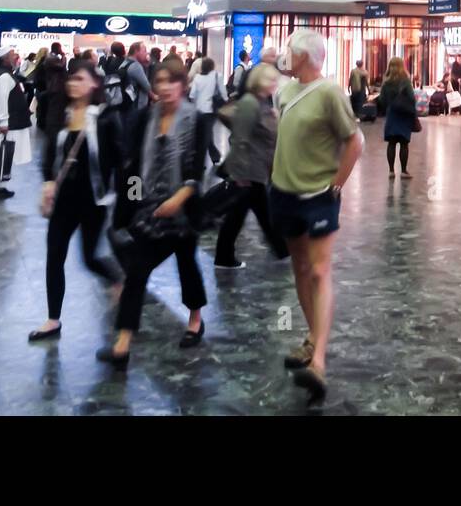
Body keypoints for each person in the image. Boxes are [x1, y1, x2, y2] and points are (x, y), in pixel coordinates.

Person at [269, 29, 364, 404]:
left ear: (305, 56)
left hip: (318, 197)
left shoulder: (329, 93)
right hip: (284, 194)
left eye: (290, 50)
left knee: (321, 270)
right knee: (301, 269)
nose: (285, 56)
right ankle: (311, 339)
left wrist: (336, 186)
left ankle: (319, 362)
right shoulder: (286, 91)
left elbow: (354, 141)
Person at [98, 56, 208, 367]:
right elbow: (132, 164)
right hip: (150, 211)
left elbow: (197, 170)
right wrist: (132, 202)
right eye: (159, 82)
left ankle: (195, 319)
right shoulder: (145, 118)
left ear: (183, 86)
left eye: (172, 82)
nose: (165, 88)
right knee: (136, 272)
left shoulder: (196, 120)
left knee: (187, 266)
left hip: (183, 212)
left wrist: (180, 198)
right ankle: (122, 344)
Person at [29, 60, 125, 343]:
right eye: (72, 79)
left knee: (90, 258)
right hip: (63, 200)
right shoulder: (61, 113)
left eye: (80, 79)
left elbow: (122, 160)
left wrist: (131, 197)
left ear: (94, 83)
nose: (74, 84)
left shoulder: (106, 117)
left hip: (94, 200)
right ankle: (53, 318)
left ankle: (119, 279)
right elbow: (48, 154)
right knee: (54, 256)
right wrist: (47, 179)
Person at [214, 61, 289, 269]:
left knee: (244, 213)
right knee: (252, 213)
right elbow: (240, 139)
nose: (275, 84)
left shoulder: (263, 103)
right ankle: (281, 249)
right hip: (249, 171)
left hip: (255, 170)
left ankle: (226, 255)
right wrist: (240, 172)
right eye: (272, 80)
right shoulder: (250, 103)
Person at [0, 48, 34, 200]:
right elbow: (2, 99)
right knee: (2, 154)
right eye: (12, 54)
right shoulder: (3, 76)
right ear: (5, 58)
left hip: (6, 121)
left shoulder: (1, 73)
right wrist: (3, 122)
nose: (16, 56)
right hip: (7, 122)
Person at [378, 56, 418, 177]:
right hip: (404, 116)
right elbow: (412, 98)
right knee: (404, 144)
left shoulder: (386, 82)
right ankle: (404, 171)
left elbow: (382, 101)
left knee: (391, 143)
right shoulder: (405, 81)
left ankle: (391, 171)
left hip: (392, 115)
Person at [188, 57, 221, 163]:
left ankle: (201, 158)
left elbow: (192, 94)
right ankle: (211, 156)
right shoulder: (213, 77)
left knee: (204, 133)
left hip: (199, 108)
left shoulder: (196, 78)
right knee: (206, 132)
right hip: (210, 109)